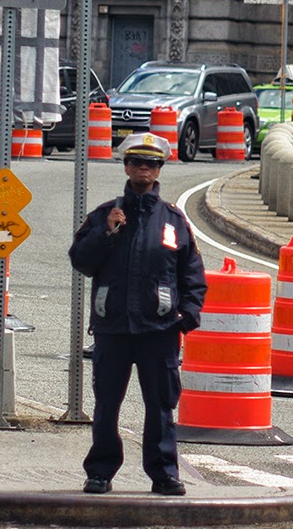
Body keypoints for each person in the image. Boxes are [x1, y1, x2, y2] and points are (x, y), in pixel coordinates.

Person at [69, 131, 207, 497]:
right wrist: (108, 234)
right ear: (126, 167)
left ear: (160, 169)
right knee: (106, 406)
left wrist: (187, 317)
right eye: (136, 162)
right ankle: (100, 472)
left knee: (160, 408)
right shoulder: (104, 215)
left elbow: (193, 275)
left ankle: (163, 474)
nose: (143, 168)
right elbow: (80, 260)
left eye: (151, 163)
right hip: (113, 329)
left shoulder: (175, 221)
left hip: (159, 330)